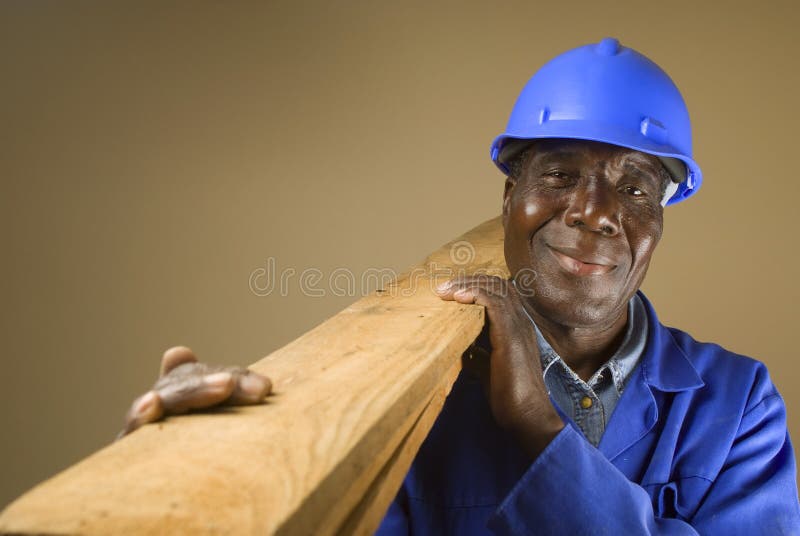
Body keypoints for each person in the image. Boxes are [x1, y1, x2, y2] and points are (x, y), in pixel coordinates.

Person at [120, 38, 800, 533]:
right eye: (560, 175)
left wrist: (536, 424)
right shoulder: (417, 392)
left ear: (657, 222)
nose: (595, 211)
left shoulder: (738, 406)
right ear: (510, 202)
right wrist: (196, 488)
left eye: (633, 186)